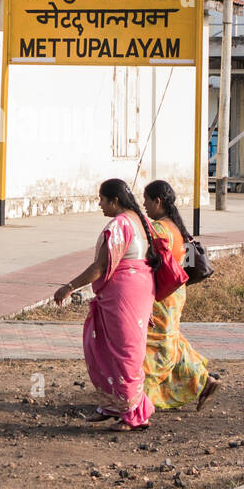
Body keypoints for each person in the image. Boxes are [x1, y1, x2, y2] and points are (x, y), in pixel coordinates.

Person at [54, 179, 156, 431]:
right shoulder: (138, 220)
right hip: (136, 290)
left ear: (115, 200)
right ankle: (112, 406)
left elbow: (100, 267)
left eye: (102, 199)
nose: (99, 204)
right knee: (108, 347)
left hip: (125, 294)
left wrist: (69, 287)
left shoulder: (121, 223)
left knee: (124, 353)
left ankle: (133, 416)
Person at [141, 180, 220, 412]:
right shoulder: (177, 227)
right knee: (170, 339)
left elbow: (154, 263)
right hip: (176, 293)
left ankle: (140, 396)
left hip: (163, 295)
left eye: (146, 199)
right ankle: (203, 380)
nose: (144, 204)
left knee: (156, 345)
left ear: (157, 201)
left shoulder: (160, 228)